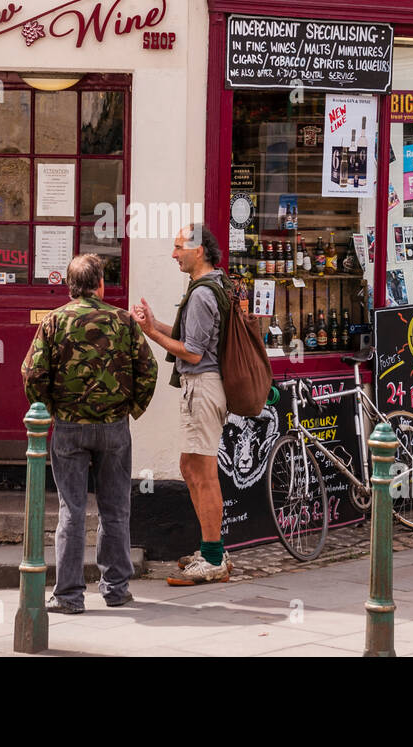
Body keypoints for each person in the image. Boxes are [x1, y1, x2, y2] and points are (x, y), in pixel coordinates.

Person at [21, 253, 158, 614]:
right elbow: (149, 369)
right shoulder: (124, 322)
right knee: (115, 509)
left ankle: (68, 595)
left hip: (69, 428)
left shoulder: (54, 321)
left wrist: (49, 409)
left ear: (70, 286)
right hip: (113, 428)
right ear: (100, 284)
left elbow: (32, 373)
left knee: (72, 510)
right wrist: (132, 409)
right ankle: (115, 588)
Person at [134, 224, 233, 585]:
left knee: (203, 474)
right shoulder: (208, 287)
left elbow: (192, 353)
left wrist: (151, 334)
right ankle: (213, 549)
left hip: (202, 388)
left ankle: (212, 559)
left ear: (199, 251)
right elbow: (189, 338)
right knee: (191, 467)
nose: (174, 254)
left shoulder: (203, 294)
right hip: (204, 388)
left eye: (179, 248)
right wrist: (155, 323)